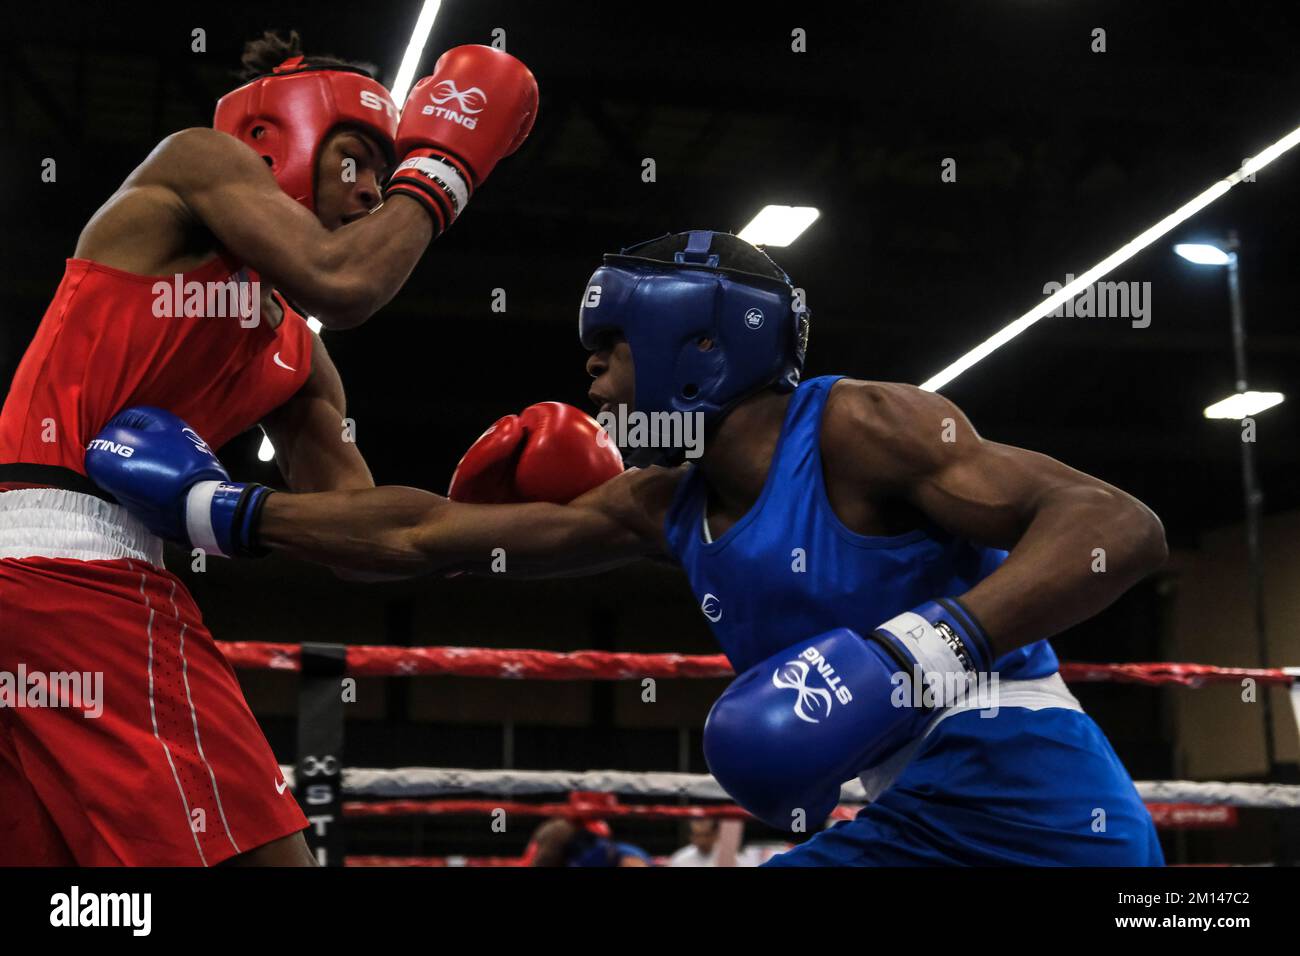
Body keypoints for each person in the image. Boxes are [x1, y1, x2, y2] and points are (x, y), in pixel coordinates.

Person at [85, 230, 1169, 865]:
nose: (593, 378)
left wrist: (917, 649)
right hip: (904, 821)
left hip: (1039, 810)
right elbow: (418, 534)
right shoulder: (658, 504)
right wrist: (221, 508)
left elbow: (1116, 524)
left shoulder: (860, 424)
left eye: (609, 348)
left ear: (694, 343)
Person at [0, 29, 537, 866]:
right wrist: (442, 170)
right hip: (72, 572)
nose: (371, 191)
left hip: (52, 591)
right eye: (356, 159)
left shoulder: (296, 356)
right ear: (273, 137)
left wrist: (480, 526)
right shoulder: (196, 163)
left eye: (385, 171)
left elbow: (361, 539)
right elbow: (347, 282)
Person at [668, 819, 763, 867]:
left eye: (706, 835)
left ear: (715, 835)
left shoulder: (732, 857)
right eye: (697, 835)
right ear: (691, 836)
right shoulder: (680, 859)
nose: (701, 840)